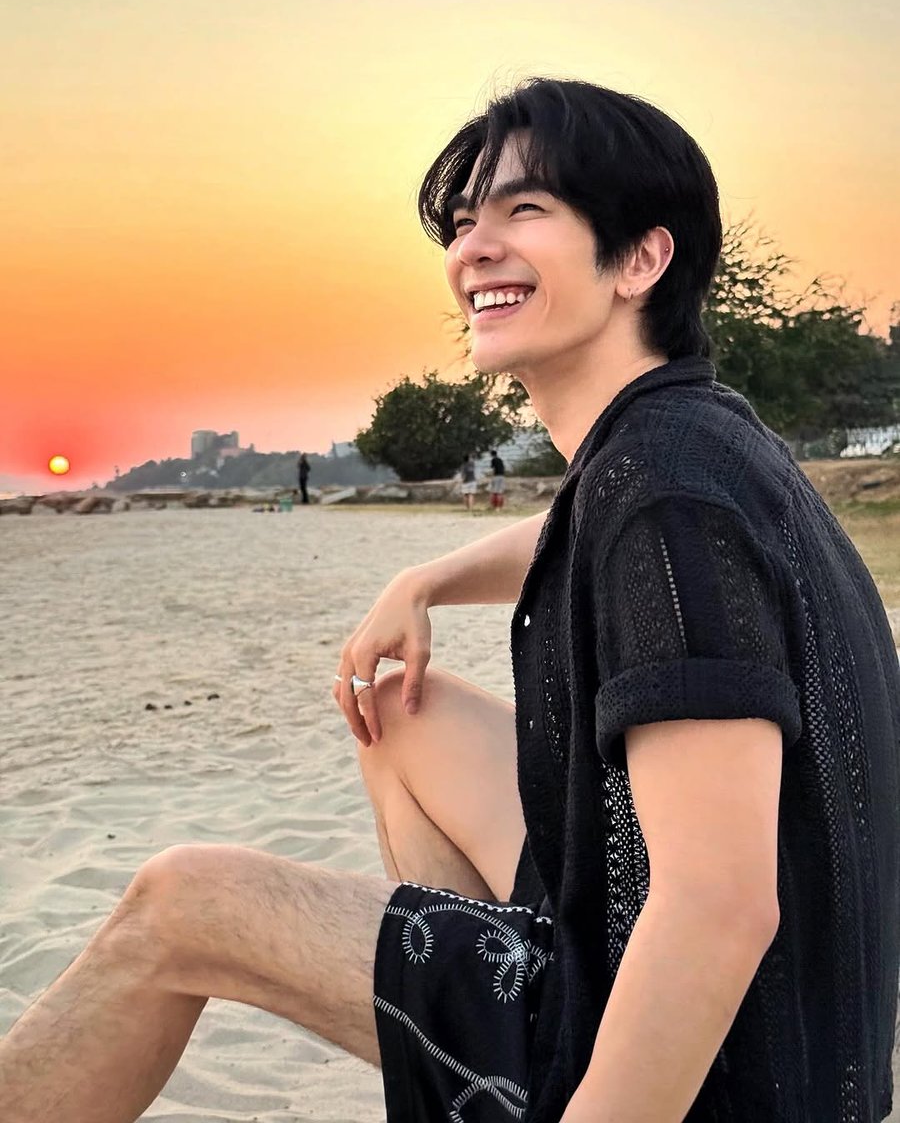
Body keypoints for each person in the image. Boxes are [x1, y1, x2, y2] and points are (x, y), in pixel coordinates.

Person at [2, 80, 898, 1123]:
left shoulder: (666, 499)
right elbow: (573, 534)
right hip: (763, 1005)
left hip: (714, 1072)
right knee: (399, 712)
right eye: (464, 223)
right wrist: (423, 581)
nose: (475, 248)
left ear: (640, 261)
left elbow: (718, 907)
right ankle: (478, 1049)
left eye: (526, 210)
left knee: (179, 903)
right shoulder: (683, 441)